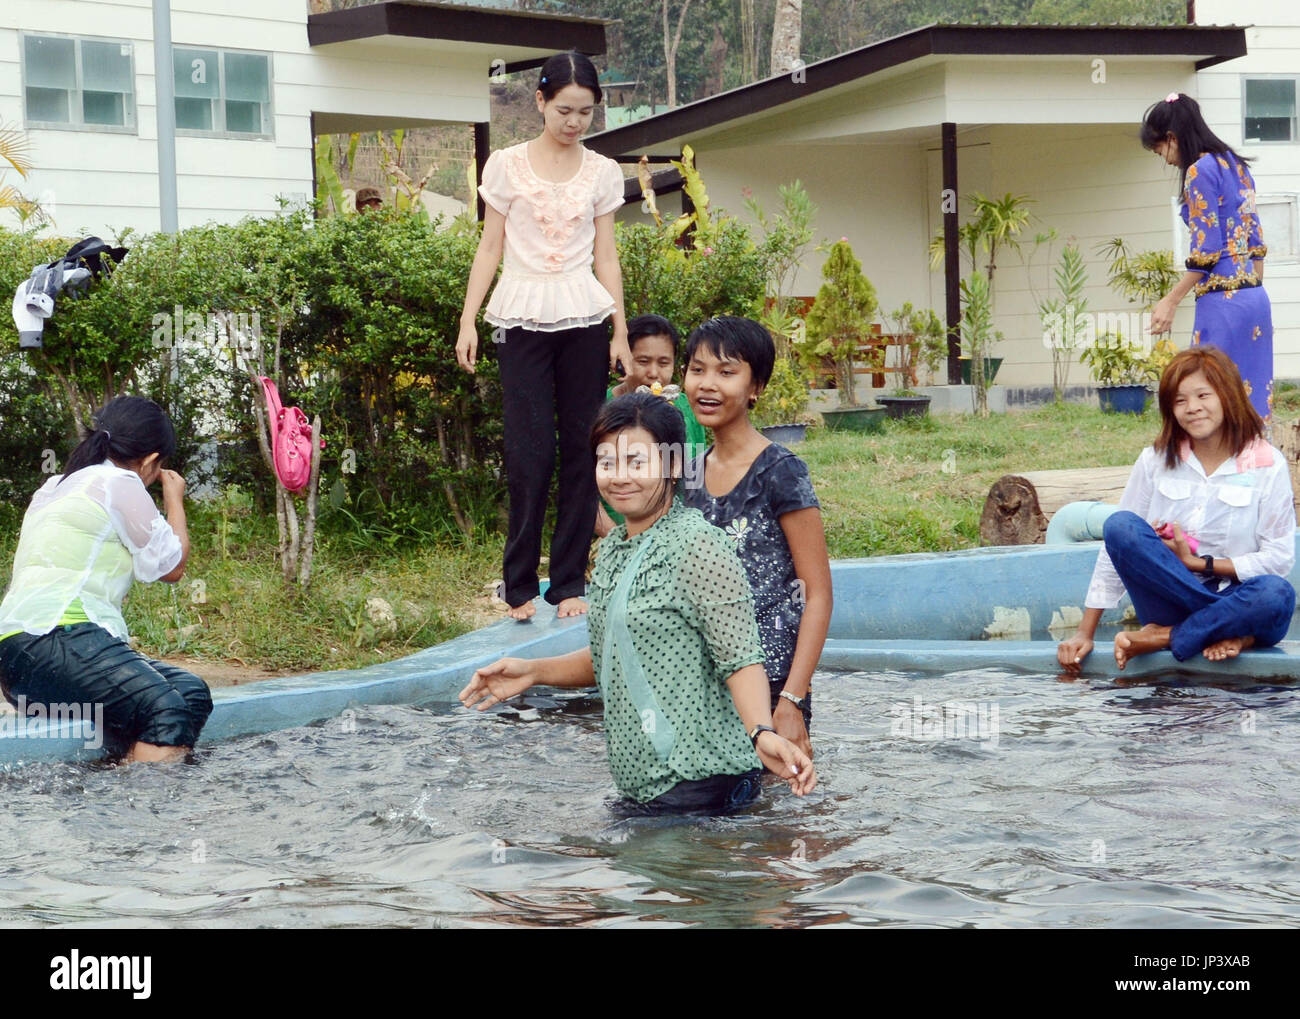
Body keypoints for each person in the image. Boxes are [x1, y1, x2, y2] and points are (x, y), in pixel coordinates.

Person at [460, 392, 816, 815]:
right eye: (606, 462)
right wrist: (533, 671)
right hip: (647, 788)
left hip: (701, 788)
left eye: (636, 462)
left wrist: (761, 731)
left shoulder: (697, 544)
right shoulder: (613, 549)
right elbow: (616, 654)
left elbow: (740, 657)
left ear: (672, 465)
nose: (618, 477)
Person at [456, 50, 631, 622]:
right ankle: (519, 586)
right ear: (539, 102)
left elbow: (607, 256)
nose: (574, 122)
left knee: (584, 450)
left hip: (584, 318)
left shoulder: (603, 172)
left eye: (585, 111)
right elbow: (490, 247)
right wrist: (468, 319)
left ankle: (569, 583)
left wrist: (619, 331)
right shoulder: (506, 166)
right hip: (521, 318)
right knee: (529, 454)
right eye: (563, 109)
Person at [0, 397, 212, 762]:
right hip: (58, 639)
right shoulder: (120, 482)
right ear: (150, 461)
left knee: (189, 691)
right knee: (166, 710)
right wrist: (174, 498)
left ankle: (115, 777)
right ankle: (137, 809)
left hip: (18, 661)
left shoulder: (53, 485)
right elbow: (172, 568)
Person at [1058, 347, 1295, 672]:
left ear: (1227, 395)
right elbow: (1115, 549)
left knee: (1275, 594)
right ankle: (1232, 633)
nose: (1193, 408)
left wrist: (1199, 563)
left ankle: (1167, 637)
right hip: (1171, 595)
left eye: (1203, 395)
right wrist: (1084, 633)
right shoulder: (1155, 460)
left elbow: (1279, 558)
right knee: (1120, 525)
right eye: (1180, 400)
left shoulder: (1267, 464)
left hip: (1235, 599)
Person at [680, 317, 831, 760]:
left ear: (755, 387)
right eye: (697, 369)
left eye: (727, 372)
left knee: (778, 816)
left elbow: (818, 594)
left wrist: (793, 699)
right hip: (703, 682)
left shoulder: (781, 472)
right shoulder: (687, 473)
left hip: (772, 685)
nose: (707, 384)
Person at [1142, 91, 1273, 423]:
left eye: (1161, 150)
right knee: (1251, 403)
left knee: (1209, 399)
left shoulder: (1199, 171)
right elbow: (1256, 242)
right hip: (1255, 298)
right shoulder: (1236, 165)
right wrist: (1250, 288)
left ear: (1172, 138)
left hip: (1221, 303)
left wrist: (1170, 300)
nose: (1167, 160)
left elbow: (1207, 251)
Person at [595, 313, 708, 538]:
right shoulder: (600, 409)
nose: (654, 373)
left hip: (679, 539)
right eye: (643, 361)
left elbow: (697, 482)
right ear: (623, 359)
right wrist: (619, 540)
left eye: (663, 363)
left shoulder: (689, 410)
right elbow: (580, 490)